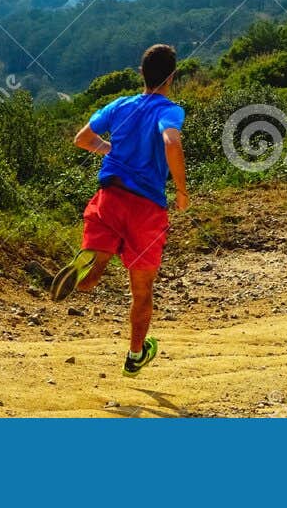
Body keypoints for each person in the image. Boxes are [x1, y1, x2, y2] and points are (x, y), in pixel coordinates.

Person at [50, 44, 189, 377]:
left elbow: (82, 139)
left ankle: (84, 267)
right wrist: (182, 190)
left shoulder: (119, 105)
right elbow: (171, 142)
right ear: (172, 77)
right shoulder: (169, 110)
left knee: (91, 278)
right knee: (141, 290)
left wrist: (112, 150)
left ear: (141, 73)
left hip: (110, 197)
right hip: (147, 210)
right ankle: (135, 355)